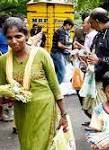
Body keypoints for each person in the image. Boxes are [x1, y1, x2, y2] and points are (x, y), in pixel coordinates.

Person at [0, 17, 68, 150]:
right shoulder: (3, 61)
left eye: (18, 36)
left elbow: (54, 86)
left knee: (43, 145)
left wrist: (64, 115)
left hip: (44, 108)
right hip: (22, 111)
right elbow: (2, 88)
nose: (14, 41)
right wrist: (8, 95)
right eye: (9, 38)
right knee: (27, 144)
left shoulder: (41, 54)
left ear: (26, 35)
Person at [82, 7, 109, 118]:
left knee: (105, 116)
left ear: (97, 21)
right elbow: (94, 53)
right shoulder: (100, 34)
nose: (91, 25)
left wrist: (99, 60)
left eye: (91, 22)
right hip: (97, 79)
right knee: (92, 111)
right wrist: (86, 57)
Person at [51, 18, 74, 84]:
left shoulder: (61, 30)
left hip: (55, 52)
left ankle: (53, 86)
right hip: (57, 53)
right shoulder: (62, 31)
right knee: (62, 70)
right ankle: (57, 87)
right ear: (67, 25)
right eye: (70, 27)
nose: (70, 28)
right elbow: (59, 45)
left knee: (56, 71)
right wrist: (69, 49)